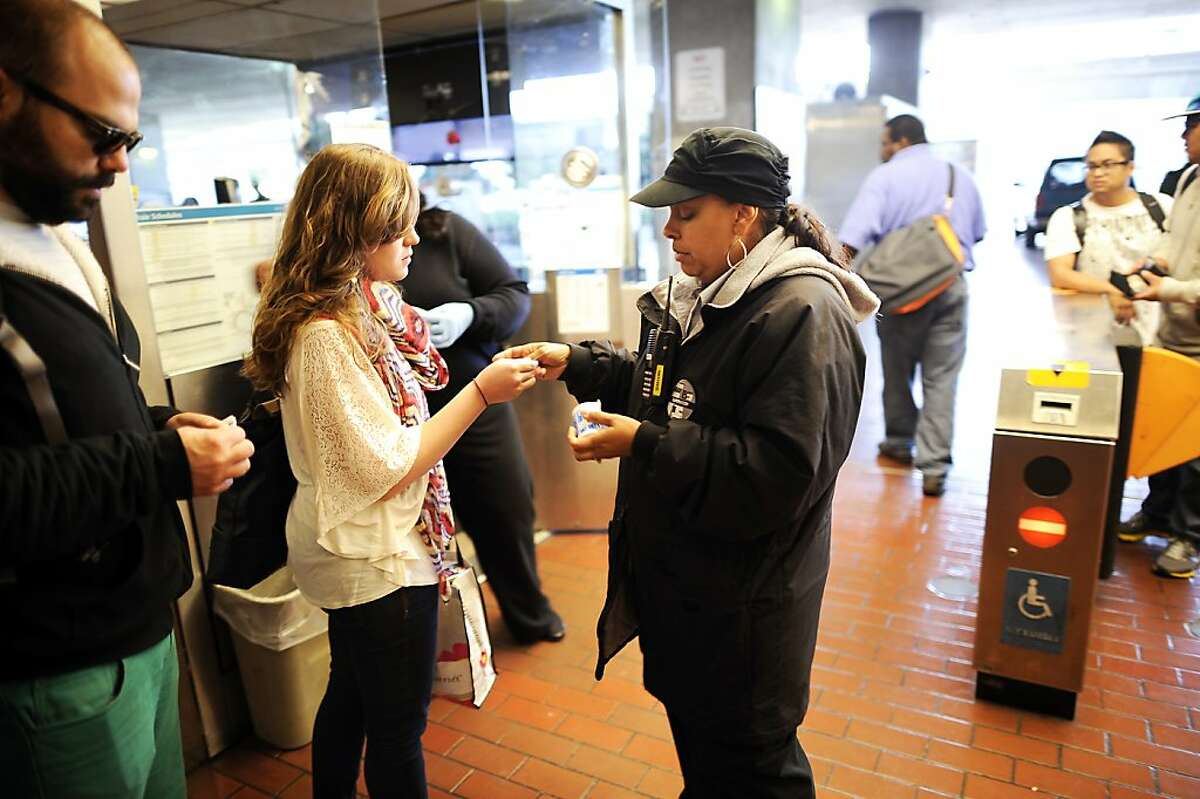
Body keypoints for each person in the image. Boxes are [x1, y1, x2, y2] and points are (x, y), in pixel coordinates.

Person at [496, 127, 879, 798]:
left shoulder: (801, 313)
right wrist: (583, 363)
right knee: (710, 765)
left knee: (755, 770)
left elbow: (775, 476)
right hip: (695, 596)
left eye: (686, 212)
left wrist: (640, 443)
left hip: (745, 614)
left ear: (744, 212)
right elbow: (674, 387)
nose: (669, 230)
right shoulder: (717, 288)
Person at [0, 2, 255, 797]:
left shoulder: (57, 241)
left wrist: (156, 426)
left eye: (130, 140)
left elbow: (71, 423)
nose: (118, 166)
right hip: (52, 669)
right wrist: (157, 461)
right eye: (101, 135)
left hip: (137, 630)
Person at [244, 143, 539, 798]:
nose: (412, 236)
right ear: (352, 230)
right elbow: (390, 464)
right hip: (372, 551)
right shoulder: (326, 332)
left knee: (351, 691)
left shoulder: (363, 306)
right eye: (394, 223)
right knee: (399, 727)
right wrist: (482, 391)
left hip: (365, 541)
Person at [401, 196, 564, 643]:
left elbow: (513, 295)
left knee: (506, 509)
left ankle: (528, 614)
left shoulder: (443, 231)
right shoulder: (352, 264)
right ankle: (435, 642)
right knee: (414, 537)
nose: (408, 238)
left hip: (476, 399)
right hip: (401, 420)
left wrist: (470, 314)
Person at [840, 114, 986, 497]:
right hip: (952, 288)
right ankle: (935, 466)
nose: (882, 150)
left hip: (900, 294)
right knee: (942, 378)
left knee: (897, 369)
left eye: (885, 143)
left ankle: (900, 441)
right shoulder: (960, 176)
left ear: (900, 142)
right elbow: (979, 233)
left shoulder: (885, 177)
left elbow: (853, 237)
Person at [1116, 95, 1200, 578]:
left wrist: (1171, 289)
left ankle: (1189, 536)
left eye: (1191, 125)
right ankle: (1158, 513)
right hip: (1173, 331)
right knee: (1165, 429)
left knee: (1197, 449)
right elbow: (1173, 241)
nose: (1182, 135)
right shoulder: (1187, 178)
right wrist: (1154, 266)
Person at [1043, 131, 1171, 340]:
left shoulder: (1161, 205)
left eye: (1108, 164)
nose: (1098, 173)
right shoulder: (1069, 216)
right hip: (1096, 332)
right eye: (1092, 166)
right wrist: (1111, 291)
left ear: (1130, 167)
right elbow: (1060, 274)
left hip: (1164, 329)